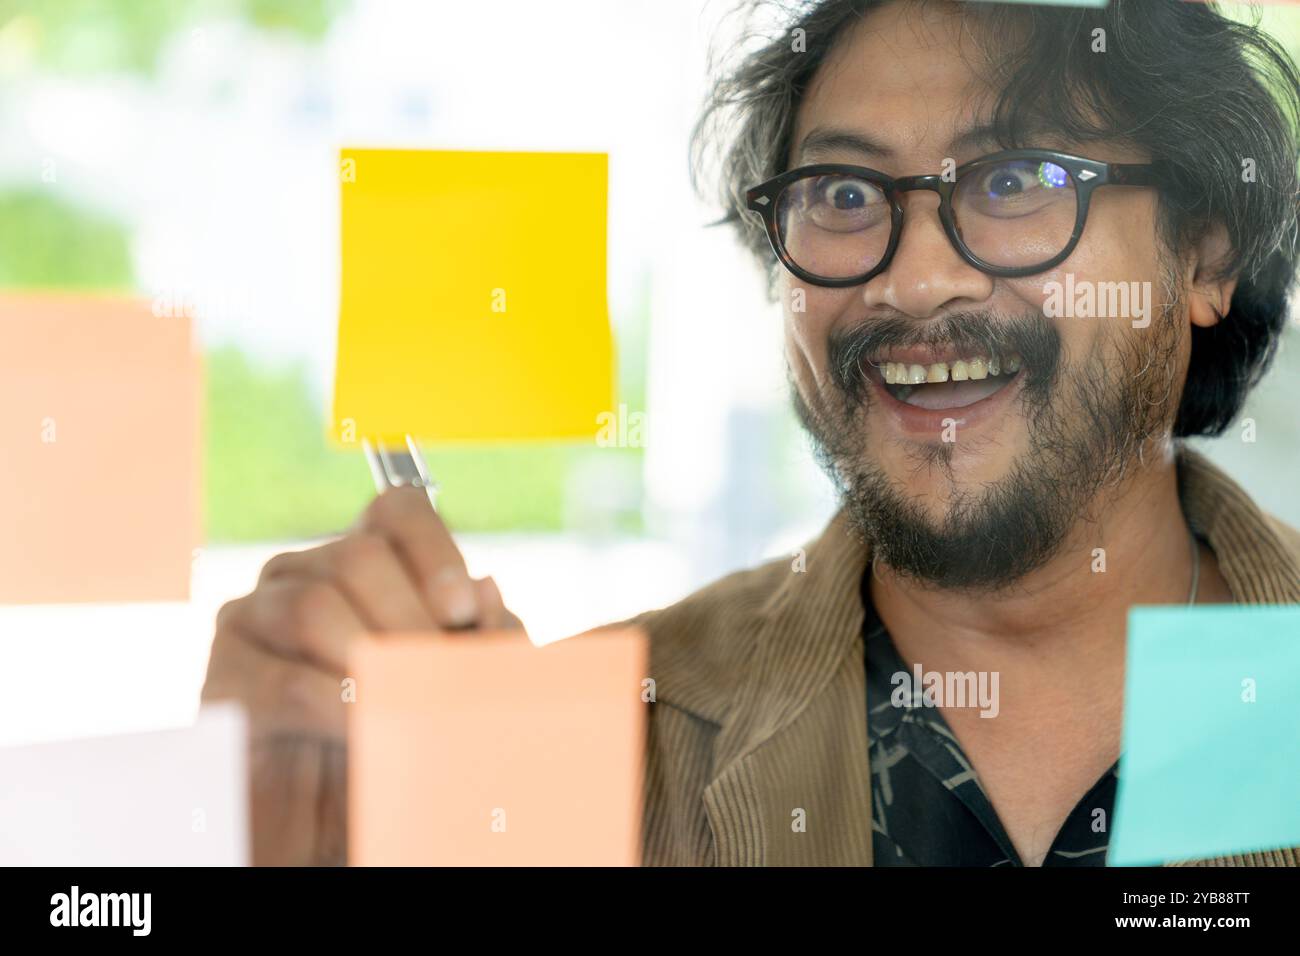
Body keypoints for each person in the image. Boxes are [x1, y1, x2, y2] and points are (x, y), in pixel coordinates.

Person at [202, 0, 1300, 866]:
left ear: (1203, 254)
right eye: (842, 192)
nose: (913, 279)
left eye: (1014, 179)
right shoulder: (591, 766)